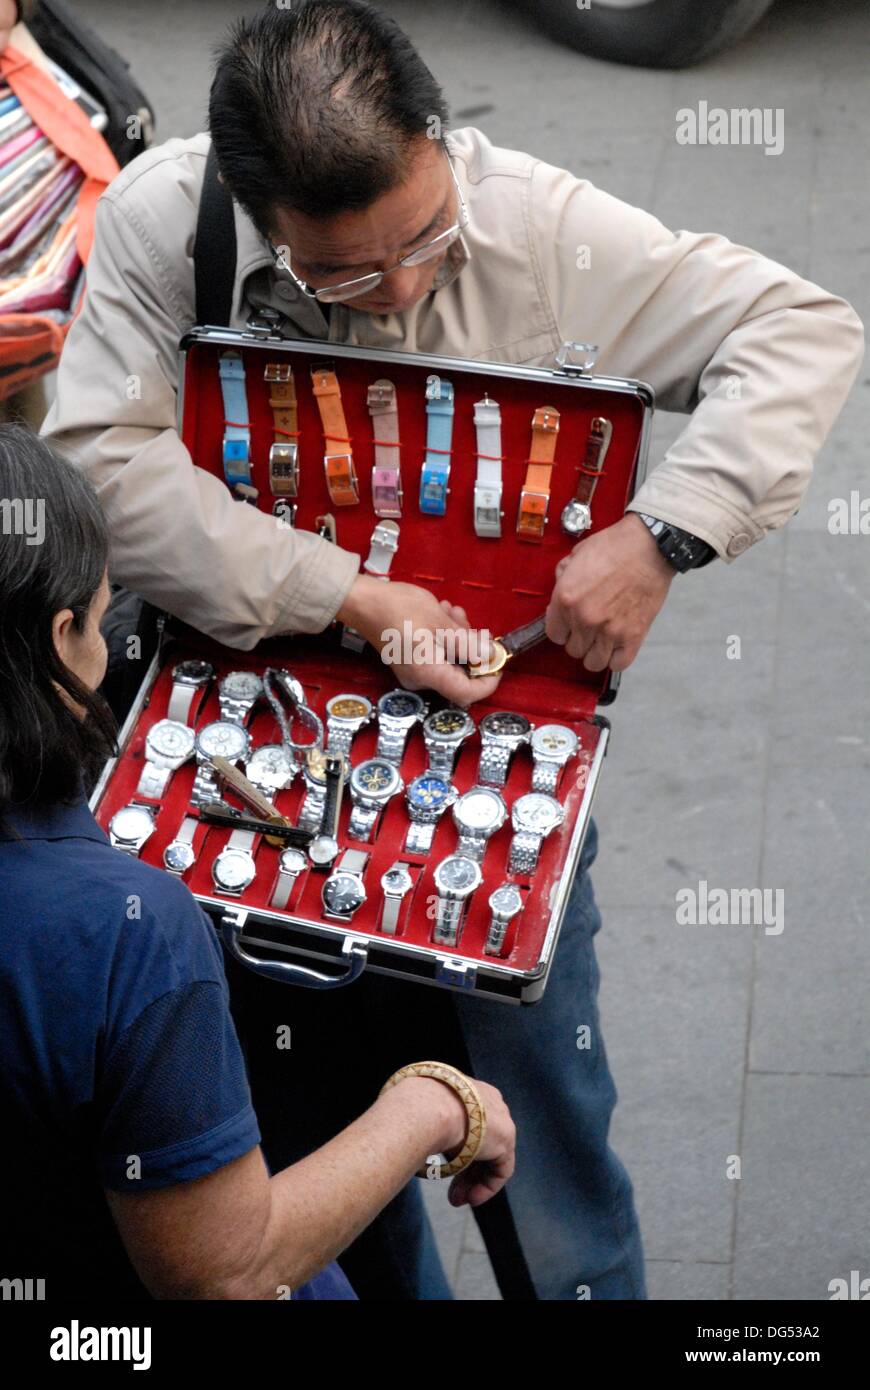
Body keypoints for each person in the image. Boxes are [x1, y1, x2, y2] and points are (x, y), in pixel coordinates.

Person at [41, 1, 864, 1299]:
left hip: (506, 752)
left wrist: (660, 536)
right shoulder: (166, 218)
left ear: (439, 140)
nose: (408, 289)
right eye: (345, 279)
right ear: (259, 217)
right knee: (312, 1134)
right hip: (254, 735)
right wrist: (358, 598)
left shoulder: (540, 226)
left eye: (427, 239)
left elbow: (803, 326)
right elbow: (97, 465)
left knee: (548, 1167)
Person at [0, 424, 515, 1302]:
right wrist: (435, 1107)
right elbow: (228, 1272)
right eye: (102, 612)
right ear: (58, 638)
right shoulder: (129, 933)